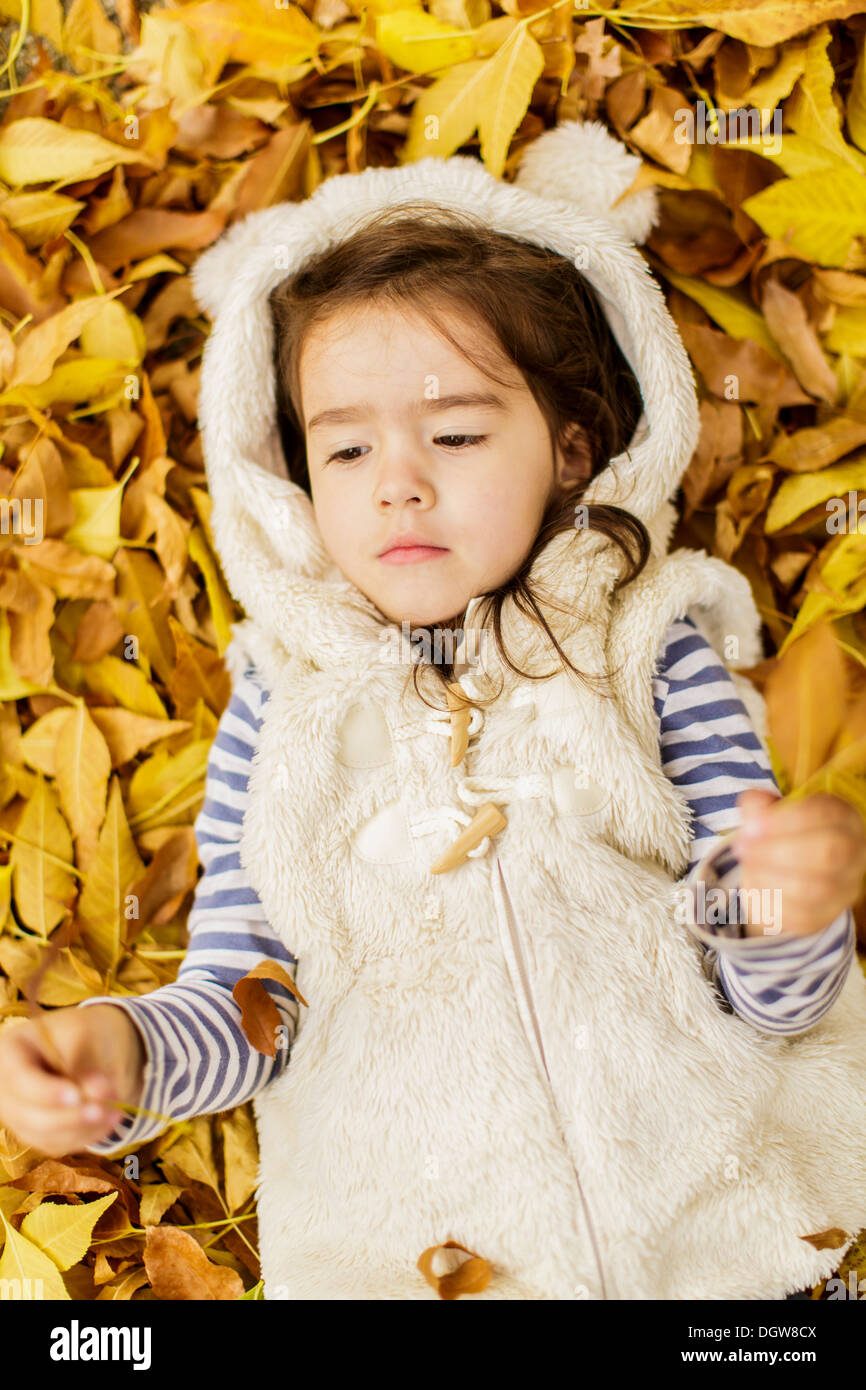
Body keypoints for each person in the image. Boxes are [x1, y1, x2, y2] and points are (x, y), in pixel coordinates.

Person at [2, 120, 866, 1301]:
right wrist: (123, 1052)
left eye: (453, 432)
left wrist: (781, 905)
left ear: (570, 452)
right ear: (294, 484)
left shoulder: (646, 651)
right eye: (346, 449)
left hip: (736, 1248)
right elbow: (253, 1009)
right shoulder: (286, 716)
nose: (398, 478)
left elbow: (769, 1000)